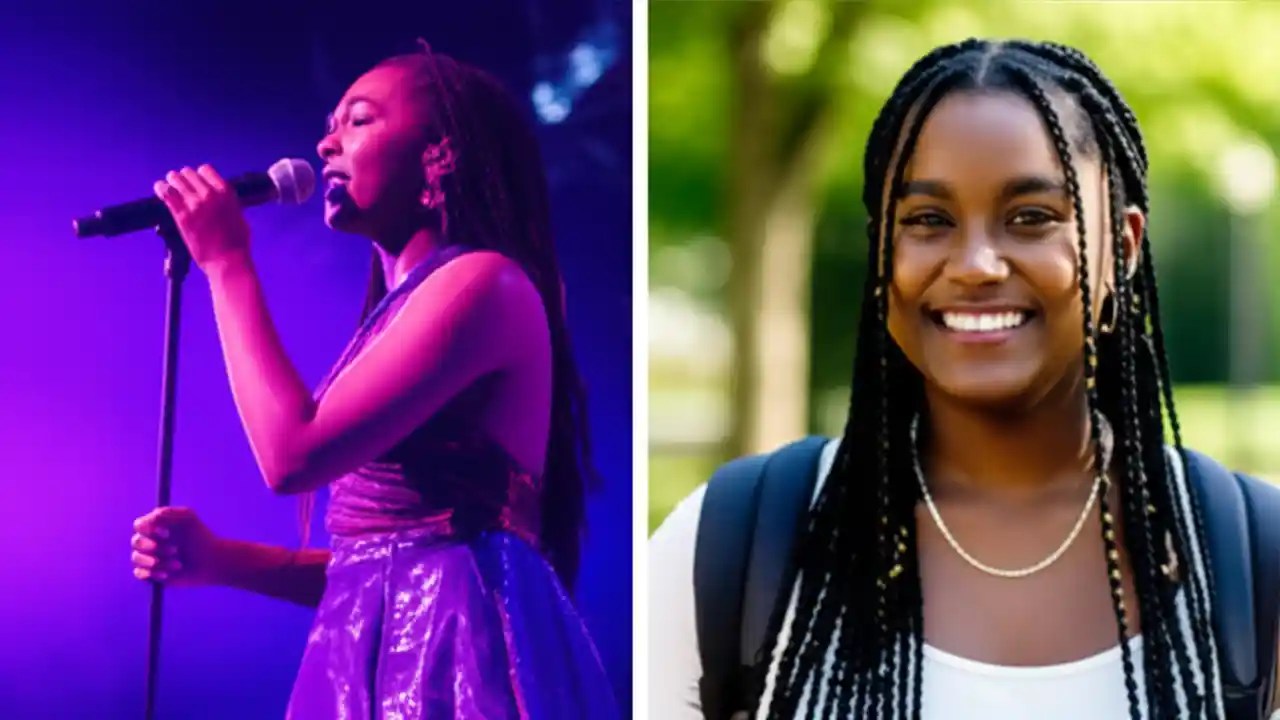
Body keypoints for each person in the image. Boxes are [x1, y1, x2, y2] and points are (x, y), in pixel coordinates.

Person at [650, 38, 1280, 719]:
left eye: (1031, 218)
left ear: (1122, 249)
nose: (976, 263)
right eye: (928, 221)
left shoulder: (1249, 559)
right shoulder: (734, 545)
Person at [128, 44, 618, 719]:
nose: (325, 142)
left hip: (455, 657)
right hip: (370, 649)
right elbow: (387, 562)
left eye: (357, 121)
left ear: (440, 153)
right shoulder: (401, 312)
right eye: (331, 124)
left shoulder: (484, 283)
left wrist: (228, 262)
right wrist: (221, 560)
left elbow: (292, 454)